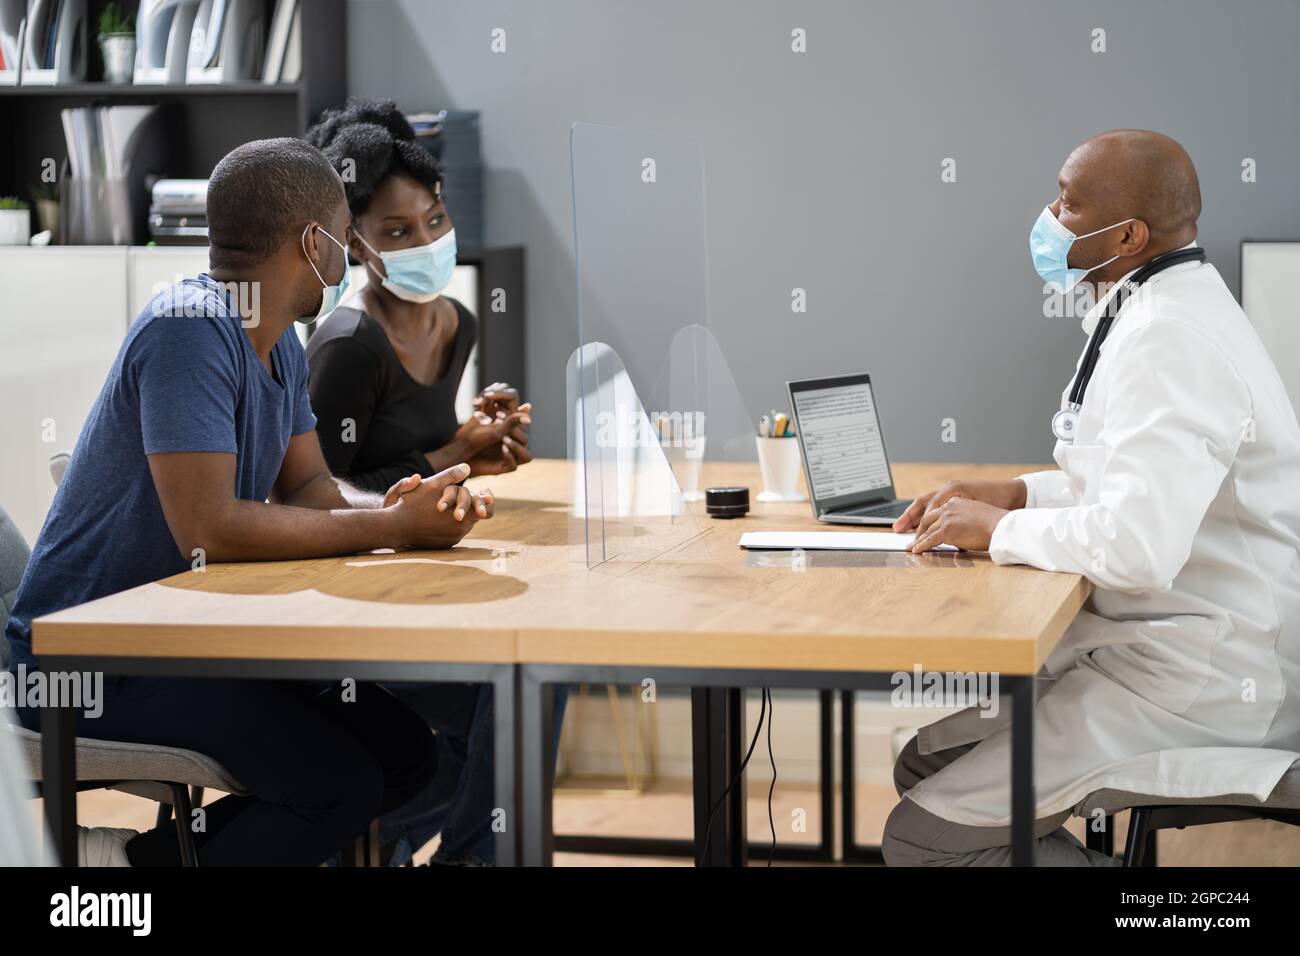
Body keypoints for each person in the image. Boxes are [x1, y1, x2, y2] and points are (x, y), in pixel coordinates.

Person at [3, 137, 494, 866]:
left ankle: (149, 860)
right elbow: (210, 529)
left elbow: (308, 489)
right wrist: (386, 527)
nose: (354, 256)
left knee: (401, 754)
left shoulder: (278, 342)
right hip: (88, 667)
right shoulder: (190, 330)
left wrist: (396, 510)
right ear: (313, 241)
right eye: (348, 236)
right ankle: (127, 873)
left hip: (175, 645)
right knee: (340, 783)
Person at [882, 129, 1300, 865]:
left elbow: (1137, 545)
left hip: (1197, 680)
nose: (1050, 216)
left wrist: (1000, 530)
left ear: (1129, 233)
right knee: (926, 761)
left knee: (924, 841)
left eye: (1069, 205)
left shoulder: (1172, 337)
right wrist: (1013, 493)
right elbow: (1122, 484)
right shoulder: (1148, 303)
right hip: (1157, 647)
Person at [303, 97, 549, 866]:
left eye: (435, 220)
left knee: (528, 689)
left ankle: (404, 838)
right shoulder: (348, 343)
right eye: (397, 232)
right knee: (518, 694)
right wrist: (453, 454)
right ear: (355, 242)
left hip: (422, 579)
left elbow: (421, 450)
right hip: (350, 601)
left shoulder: (455, 321)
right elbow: (321, 496)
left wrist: (478, 450)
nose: (427, 241)